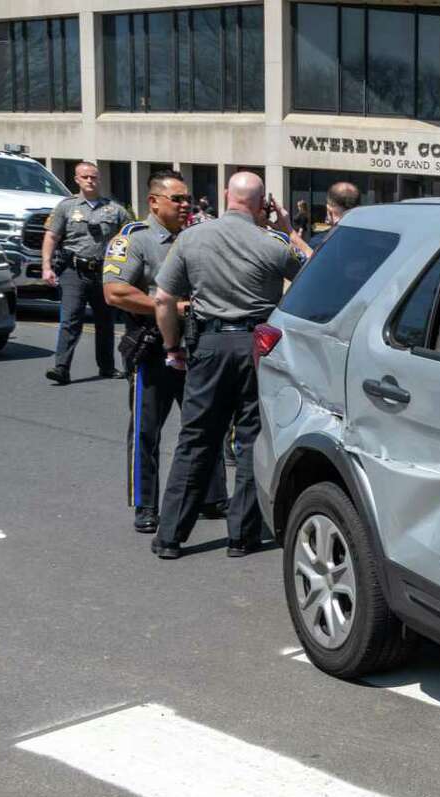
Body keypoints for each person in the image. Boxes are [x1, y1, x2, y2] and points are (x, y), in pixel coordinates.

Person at [149, 171, 311, 560]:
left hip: (210, 344)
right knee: (254, 439)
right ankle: (243, 536)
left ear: (225, 196)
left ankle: (170, 536)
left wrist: (173, 346)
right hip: (258, 346)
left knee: (196, 439)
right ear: (262, 205)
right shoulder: (272, 243)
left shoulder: (192, 237)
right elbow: (315, 275)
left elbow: (162, 300)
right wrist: (288, 228)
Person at [102, 169, 225, 535]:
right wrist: (170, 308)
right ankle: (145, 504)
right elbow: (115, 292)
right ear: (154, 201)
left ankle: (211, 496)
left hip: (197, 346)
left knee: (206, 424)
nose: (185, 204)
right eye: (178, 199)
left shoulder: (196, 236)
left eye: (188, 199)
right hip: (152, 347)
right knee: (146, 430)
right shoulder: (134, 240)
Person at [41, 162, 132, 385]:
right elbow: (51, 236)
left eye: (93, 177)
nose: (90, 180)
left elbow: (130, 238)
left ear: (99, 179)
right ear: (77, 180)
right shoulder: (66, 207)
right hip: (74, 270)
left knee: (105, 322)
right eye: (85, 177)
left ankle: (107, 366)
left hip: (104, 272)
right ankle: (61, 367)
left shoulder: (115, 209)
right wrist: (46, 266)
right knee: (71, 320)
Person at [306, 181, 360, 253]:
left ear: (329, 210)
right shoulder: (371, 238)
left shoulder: (321, 241)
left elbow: (311, 260)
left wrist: (291, 232)